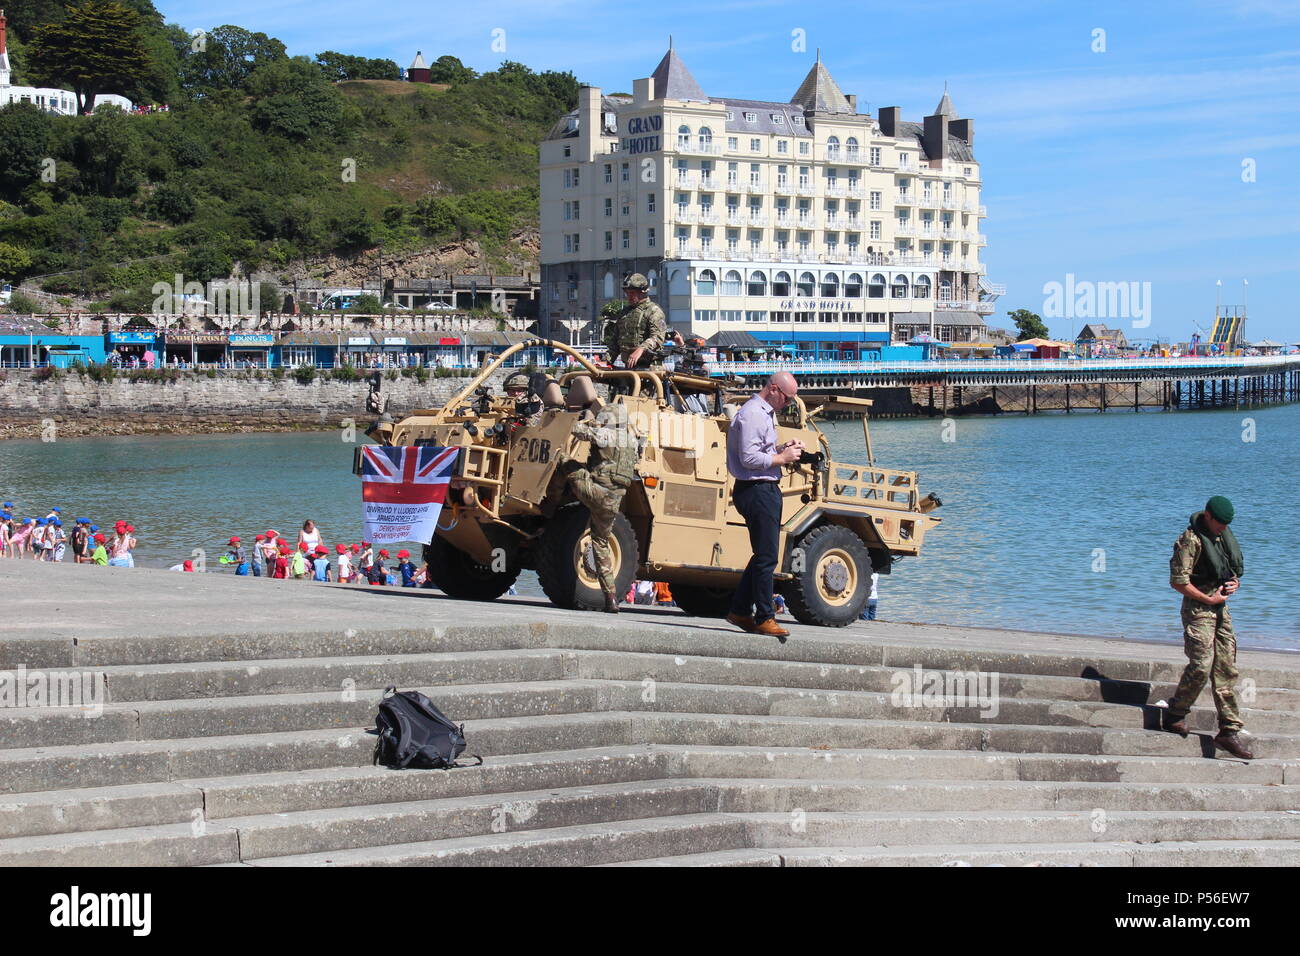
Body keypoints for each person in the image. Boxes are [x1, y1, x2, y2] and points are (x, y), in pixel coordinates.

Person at [1163, 496, 1253, 760]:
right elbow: (1178, 582)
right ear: (1208, 516)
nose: (1223, 528)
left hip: (1221, 607)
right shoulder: (1189, 540)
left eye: (1227, 524)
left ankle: (1229, 730)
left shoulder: (1222, 537)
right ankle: (1176, 713)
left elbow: (1231, 571)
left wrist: (1233, 584)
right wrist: (1207, 599)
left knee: (1226, 667)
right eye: (1219, 523)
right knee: (1202, 665)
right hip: (1198, 607)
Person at [725, 372, 805, 641]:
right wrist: (782, 457)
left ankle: (739, 611)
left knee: (763, 554)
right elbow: (748, 458)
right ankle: (764, 616)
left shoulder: (762, 412)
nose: (788, 403)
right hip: (756, 488)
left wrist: (782, 448)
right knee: (767, 557)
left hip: (761, 487)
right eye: (787, 397)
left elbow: (759, 450)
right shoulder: (755, 414)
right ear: (773, 389)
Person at [553, 402, 638, 613]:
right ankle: (611, 598)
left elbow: (578, 431)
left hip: (596, 491)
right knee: (601, 545)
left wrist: (562, 417)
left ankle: (550, 504)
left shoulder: (606, 435)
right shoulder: (632, 441)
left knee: (563, 460)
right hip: (614, 502)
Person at [604, 274, 667, 372]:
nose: (629, 296)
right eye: (627, 293)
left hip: (650, 368)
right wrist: (606, 361)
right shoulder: (625, 313)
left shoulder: (654, 311)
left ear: (643, 292)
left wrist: (641, 349)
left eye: (632, 293)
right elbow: (615, 341)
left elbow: (658, 337)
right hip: (629, 368)